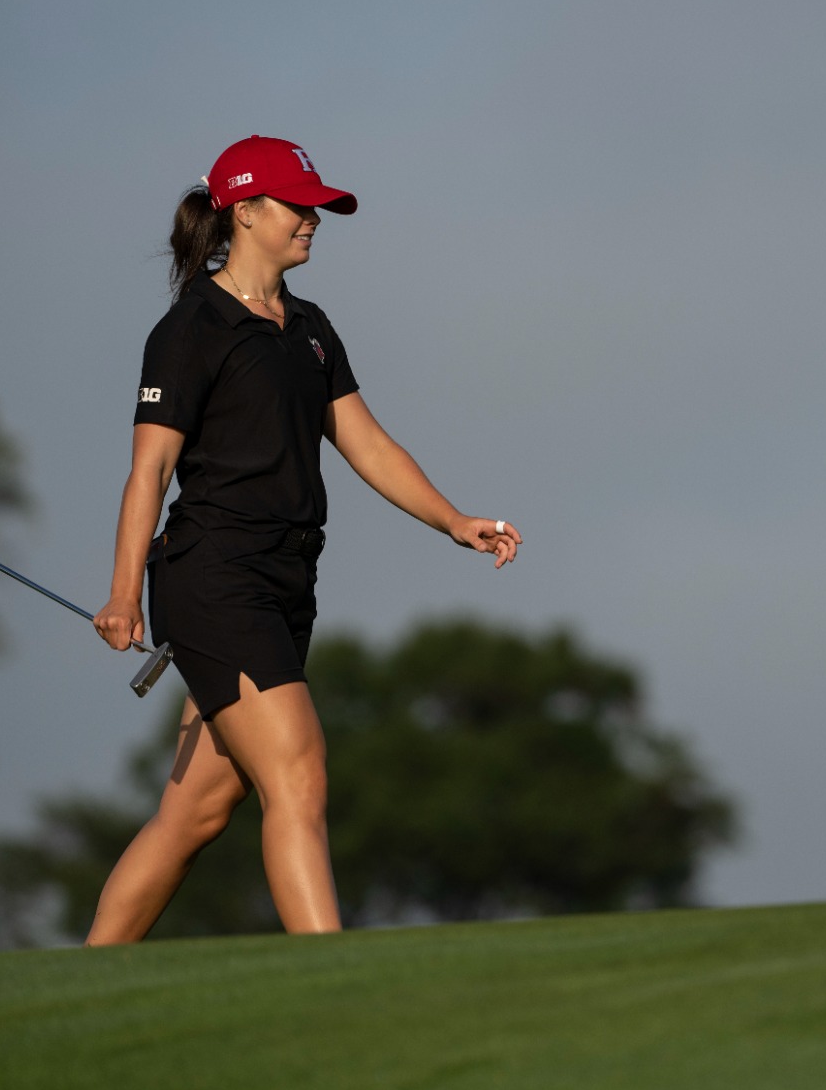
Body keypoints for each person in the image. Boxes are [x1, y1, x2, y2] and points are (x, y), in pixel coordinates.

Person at [87, 135, 520, 943]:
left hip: (287, 584)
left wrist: (454, 519)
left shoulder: (310, 328)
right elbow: (147, 472)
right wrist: (121, 592)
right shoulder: (189, 330)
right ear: (244, 211)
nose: (313, 220)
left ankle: (73, 983)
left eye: (316, 206)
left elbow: (368, 445)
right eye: (297, 205)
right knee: (300, 773)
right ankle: (337, 981)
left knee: (197, 809)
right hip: (215, 577)